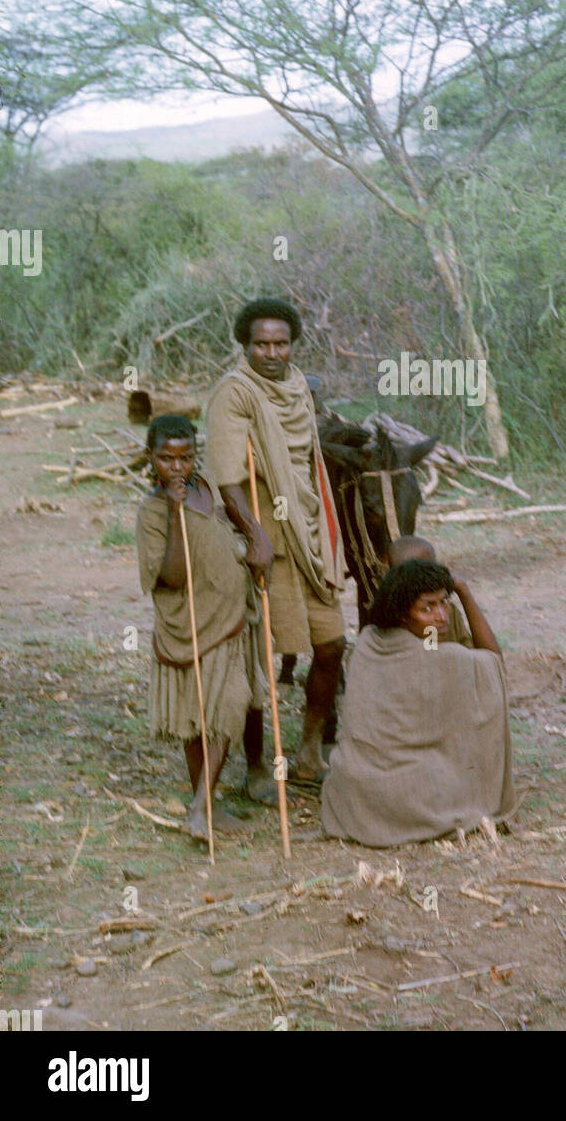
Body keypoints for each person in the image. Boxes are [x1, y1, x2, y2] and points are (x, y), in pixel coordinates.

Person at [205, 297, 346, 785]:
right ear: (245, 345)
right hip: (265, 543)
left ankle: (309, 752)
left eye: (280, 343)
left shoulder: (299, 388)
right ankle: (257, 766)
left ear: (292, 345)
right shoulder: (234, 392)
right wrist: (255, 535)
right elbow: (226, 477)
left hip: (307, 537)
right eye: (261, 343)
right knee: (257, 661)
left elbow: (308, 464)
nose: (271, 352)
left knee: (331, 645)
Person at [136, 414, 274, 839]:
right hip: (187, 622)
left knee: (231, 702)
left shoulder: (208, 485)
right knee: (195, 715)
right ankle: (204, 806)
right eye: (166, 459)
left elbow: (231, 518)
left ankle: (201, 805)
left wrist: (254, 542)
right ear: (150, 458)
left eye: (186, 457)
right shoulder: (153, 513)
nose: (177, 467)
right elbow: (172, 577)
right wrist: (177, 513)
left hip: (229, 616)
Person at [321, 561, 515, 847]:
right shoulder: (447, 659)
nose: (441, 617)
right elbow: (494, 661)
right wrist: (463, 590)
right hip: (409, 796)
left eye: (444, 603)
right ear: (401, 615)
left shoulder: (367, 641)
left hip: (356, 794)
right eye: (427, 608)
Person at [386, 535, 473, 644]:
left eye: (432, 570)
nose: (442, 617)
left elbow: (486, 657)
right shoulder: (388, 623)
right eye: (425, 609)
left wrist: (464, 593)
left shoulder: (446, 611)